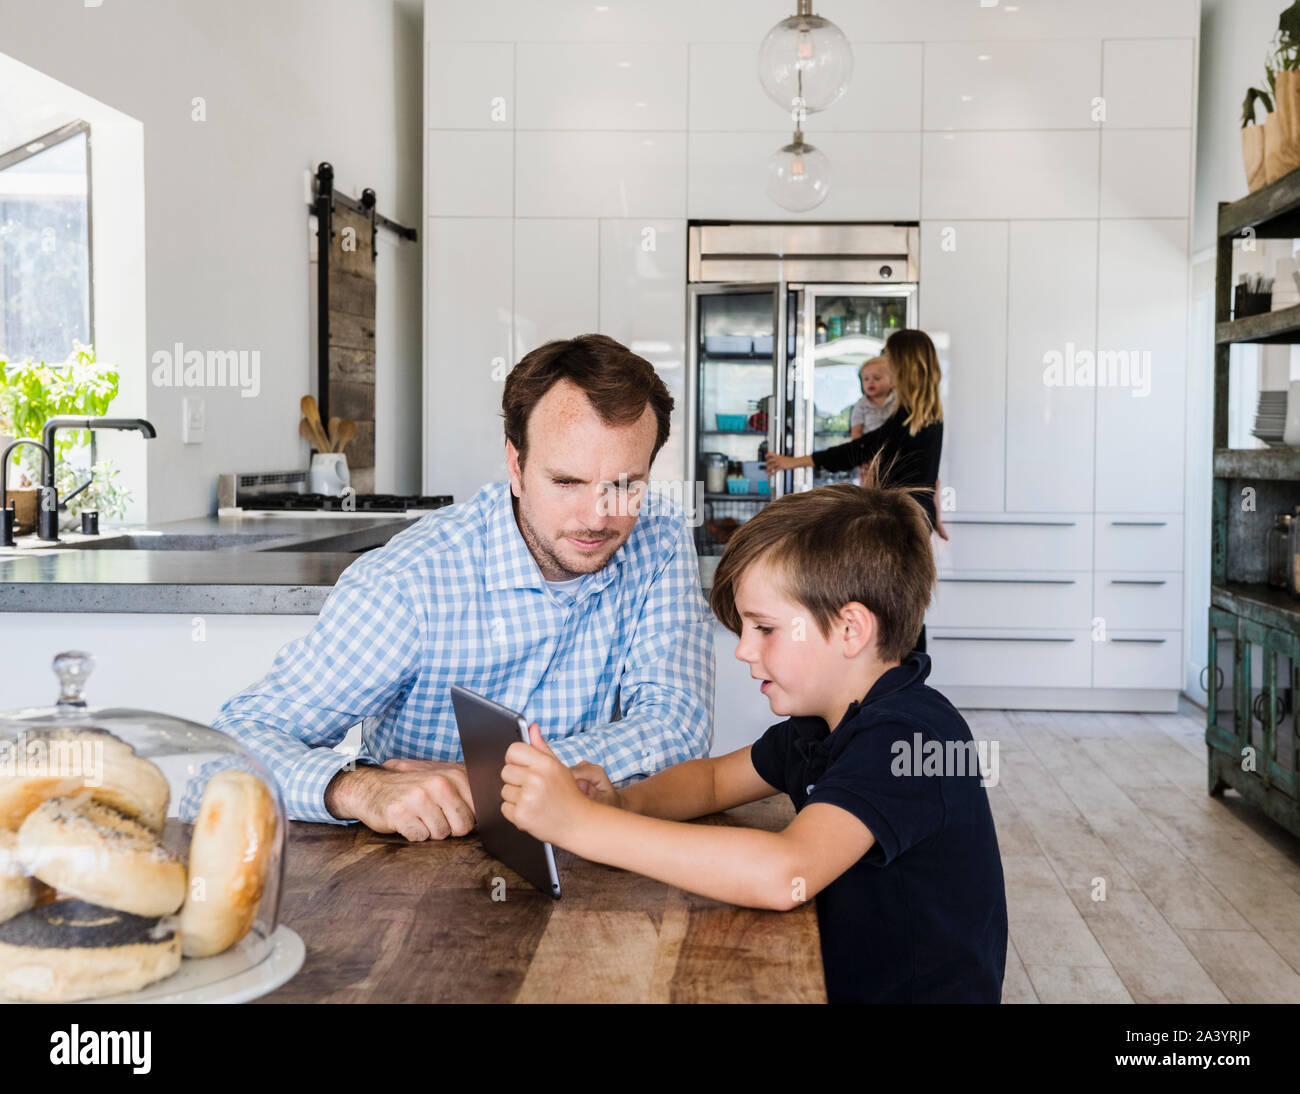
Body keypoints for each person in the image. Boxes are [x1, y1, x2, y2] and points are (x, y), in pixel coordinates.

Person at [499, 482, 1008, 1004]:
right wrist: (624, 802)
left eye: (765, 628)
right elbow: (714, 779)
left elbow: (785, 871)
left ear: (851, 629)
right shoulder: (820, 725)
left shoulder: (911, 736)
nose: (743, 649)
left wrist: (582, 825)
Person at [191, 335, 715, 839]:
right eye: (566, 482)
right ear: (516, 465)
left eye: (625, 485)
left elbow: (676, 726)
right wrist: (356, 788)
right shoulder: (408, 584)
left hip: (584, 860)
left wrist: (500, 783)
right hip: (407, 876)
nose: (597, 516)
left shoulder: (659, 540)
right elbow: (221, 758)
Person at [768, 328, 948, 649]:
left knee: (899, 605)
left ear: (903, 365)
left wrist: (794, 462)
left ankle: (904, 681)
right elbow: (924, 471)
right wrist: (934, 509)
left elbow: (858, 449)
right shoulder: (925, 415)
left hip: (903, 514)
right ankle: (904, 680)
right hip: (917, 511)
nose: (886, 365)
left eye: (890, 358)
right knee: (905, 601)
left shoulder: (908, 417)